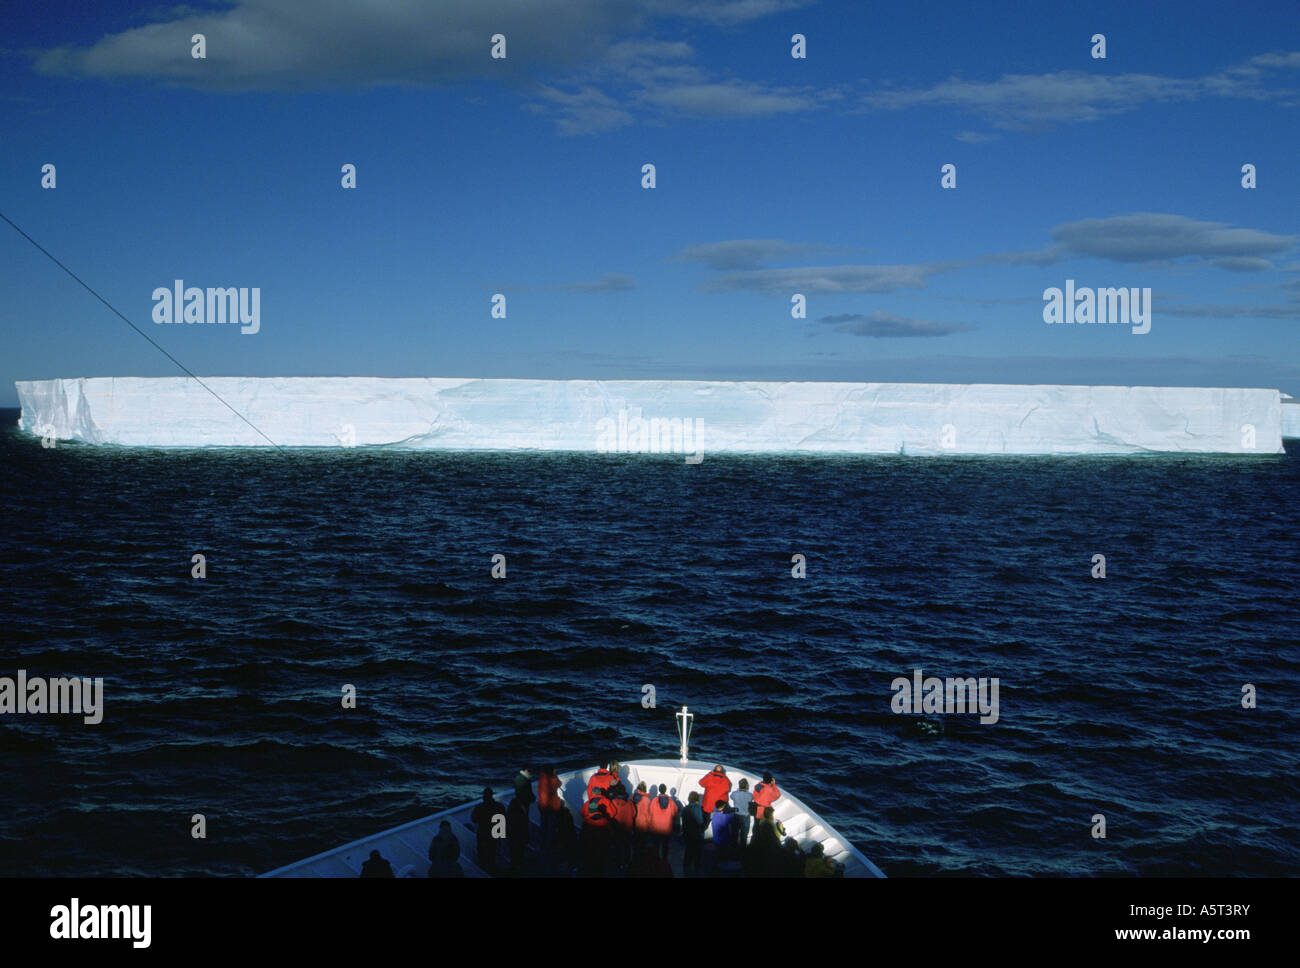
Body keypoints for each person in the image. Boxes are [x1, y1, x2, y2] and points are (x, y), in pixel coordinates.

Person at [470, 787, 506, 874]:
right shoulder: (499, 806)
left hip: (482, 833)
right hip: (494, 834)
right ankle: (491, 870)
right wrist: (501, 835)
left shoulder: (479, 807)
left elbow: (474, 819)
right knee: (492, 854)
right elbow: (503, 819)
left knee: (481, 853)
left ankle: (481, 871)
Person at [646, 783, 679, 860]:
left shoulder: (654, 800)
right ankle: (664, 860)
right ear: (665, 790)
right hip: (667, 827)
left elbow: (650, 811)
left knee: (656, 845)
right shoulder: (671, 801)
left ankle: (655, 859)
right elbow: (675, 812)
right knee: (665, 845)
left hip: (656, 827)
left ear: (659, 790)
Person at [681, 792, 708, 875]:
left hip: (687, 833)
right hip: (696, 833)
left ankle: (686, 867)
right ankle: (696, 869)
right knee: (697, 852)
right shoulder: (697, 808)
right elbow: (700, 821)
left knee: (688, 851)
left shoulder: (685, 808)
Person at [537, 765, 563, 849]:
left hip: (542, 806)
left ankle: (542, 843)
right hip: (551, 807)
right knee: (550, 827)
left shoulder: (541, 779)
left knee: (544, 826)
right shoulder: (552, 780)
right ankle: (549, 846)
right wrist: (555, 775)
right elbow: (559, 783)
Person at [710, 800, 737, 871]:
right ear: (723, 807)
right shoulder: (725, 816)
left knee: (718, 855)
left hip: (716, 839)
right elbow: (732, 819)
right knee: (724, 857)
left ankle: (716, 867)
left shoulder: (714, 814)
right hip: (724, 840)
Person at [507, 795, 530, 874]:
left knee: (513, 853)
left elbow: (507, 826)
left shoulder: (509, 814)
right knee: (520, 854)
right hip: (520, 838)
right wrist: (526, 838)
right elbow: (524, 827)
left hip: (512, 837)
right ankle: (519, 869)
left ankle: (513, 869)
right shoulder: (521, 815)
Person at [731, 778, 754, 848]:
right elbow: (751, 799)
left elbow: (731, 797)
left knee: (735, 834)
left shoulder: (734, 793)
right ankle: (742, 851)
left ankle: (734, 850)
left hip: (736, 816)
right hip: (745, 817)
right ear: (747, 786)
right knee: (744, 836)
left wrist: (738, 791)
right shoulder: (750, 795)